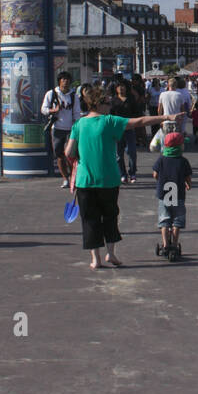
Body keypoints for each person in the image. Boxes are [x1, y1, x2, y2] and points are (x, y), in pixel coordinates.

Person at [66, 84, 173, 270]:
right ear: (99, 104)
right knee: (110, 216)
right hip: (108, 178)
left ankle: (95, 259)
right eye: (107, 102)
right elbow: (139, 122)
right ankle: (111, 254)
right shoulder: (109, 121)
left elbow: (69, 152)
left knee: (90, 219)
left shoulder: (79, 124)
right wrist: (165, 117)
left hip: (85, 180)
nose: (110, 105)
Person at [153, 131, 193, 257]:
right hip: (178, 195)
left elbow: (155, 174)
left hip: (163, 195)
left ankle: (165, 245)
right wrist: (188, 184)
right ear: (179, 146)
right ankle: (174, 245)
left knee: (164, 220)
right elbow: (187, 177)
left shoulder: (161, 159)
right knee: (177, 221)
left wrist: (160, 180)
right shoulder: (183, 161)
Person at [42, 72, 82, 188]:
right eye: (63, 79)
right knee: (59, 155)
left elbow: (76, 112)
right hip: (57, 128)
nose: (66, 82)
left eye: (68, 79)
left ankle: (73, 177)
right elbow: (43, 109)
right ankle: (65, 178)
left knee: (71, 155)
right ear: (59, 81)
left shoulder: (73, 96)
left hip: (71, 129)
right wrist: (52, 111)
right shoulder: (51, 94)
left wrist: (76, 125)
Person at [111, 81, 141, 183]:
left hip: (129, 129)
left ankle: (132, 173)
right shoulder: (113, 101)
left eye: (122, 86)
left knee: (131, 152)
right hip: (117, 130)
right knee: (118, 155)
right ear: (116, 89)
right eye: (119, 86)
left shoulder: (131, 100)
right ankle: (122, 174)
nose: (121, 88)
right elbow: (110, 115)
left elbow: (137, 113)